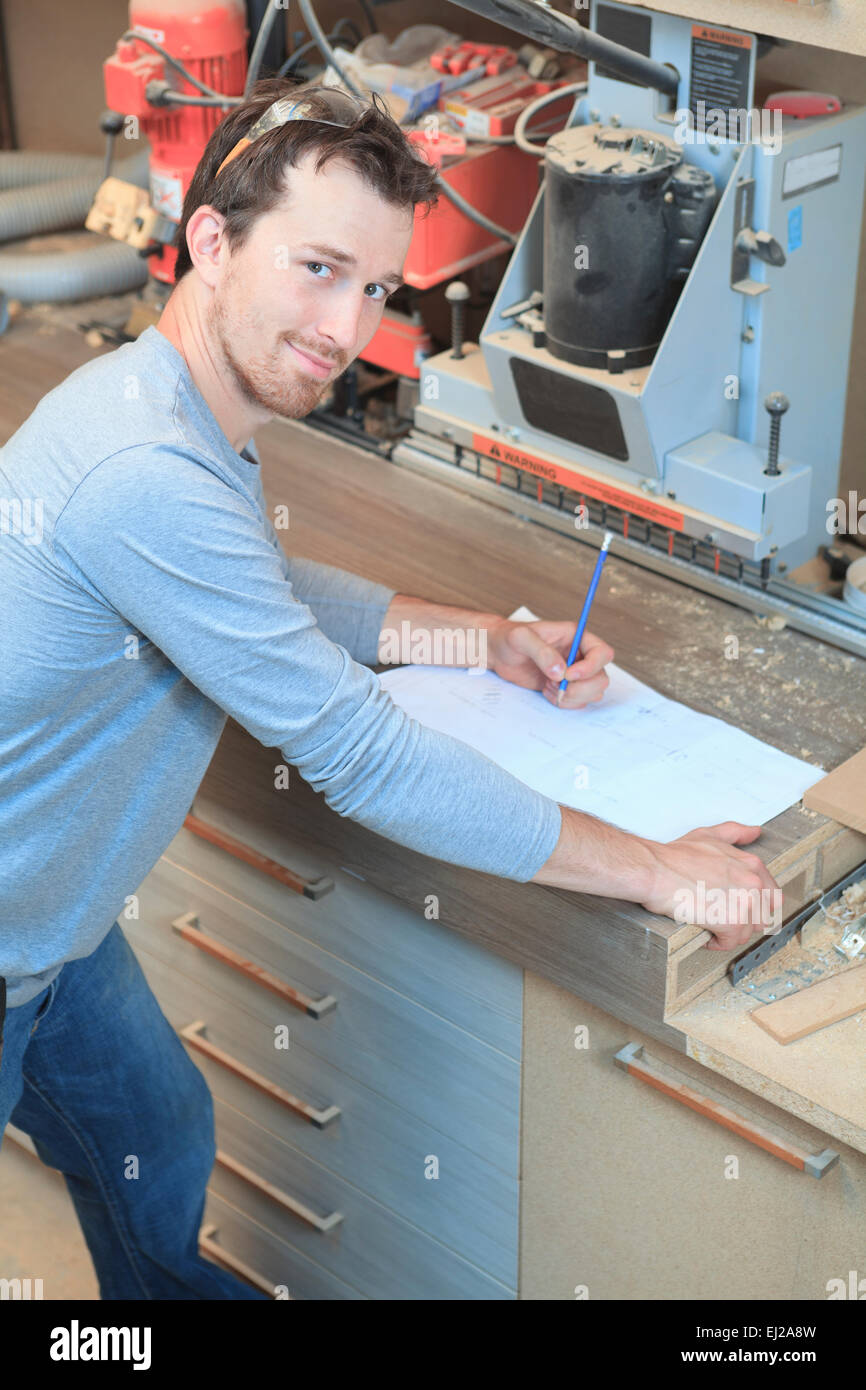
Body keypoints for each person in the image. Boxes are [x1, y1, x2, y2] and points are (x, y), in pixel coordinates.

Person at [0, 78, 779, 1299]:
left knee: (154, 1137)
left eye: (371, 287)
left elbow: (259, 584)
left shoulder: (176, 412)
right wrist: (659, 865)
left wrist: (479, 641)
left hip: (50, 929)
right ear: (211, 242)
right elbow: (360, 755)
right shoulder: (142, 465)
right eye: (314, 268)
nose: (345, 324)